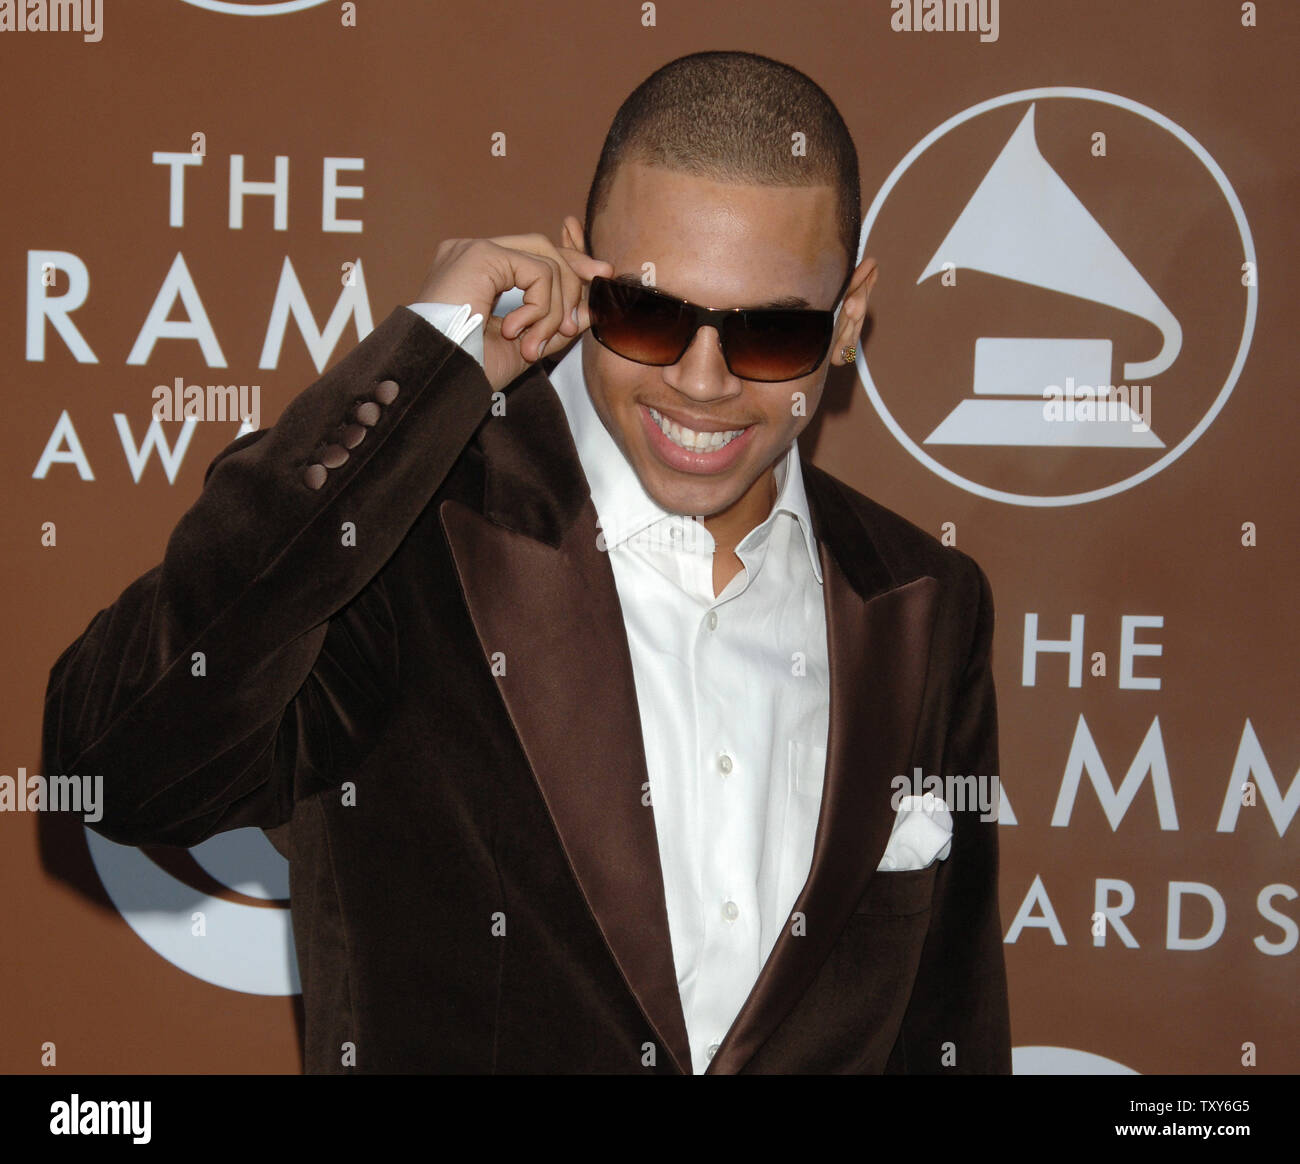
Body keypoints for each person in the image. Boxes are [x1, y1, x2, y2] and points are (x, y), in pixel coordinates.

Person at [43, 50, 1010, 1074]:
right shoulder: (413, 534)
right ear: (577, 267)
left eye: (770, 333)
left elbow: (949, 1025)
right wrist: (423, 368)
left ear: (849, 314)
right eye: (649, 311)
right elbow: (114, 764)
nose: (701, 381)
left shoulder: (923, 602)